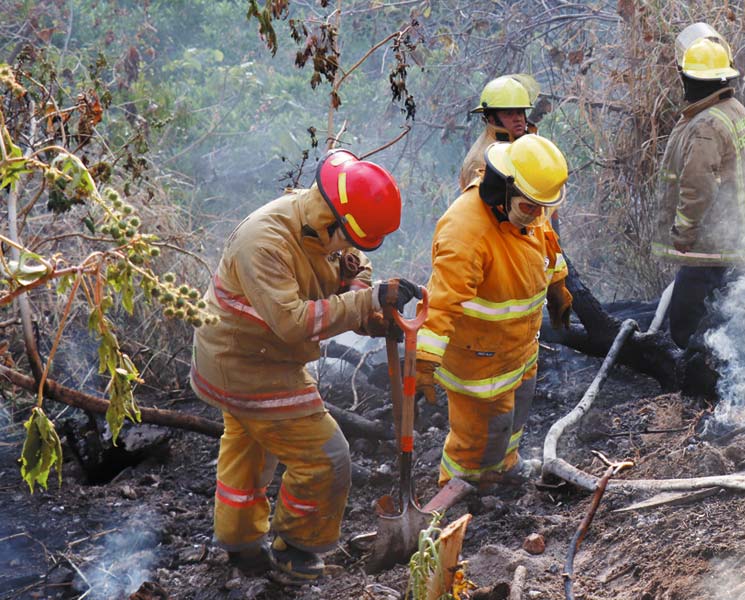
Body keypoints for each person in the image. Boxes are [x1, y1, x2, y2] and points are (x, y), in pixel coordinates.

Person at [190, 149, 421, 580]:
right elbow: (293, 322)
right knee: (327, 458)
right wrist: (365, 301)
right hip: (247, 366)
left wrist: (361, 291)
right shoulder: (265, 242)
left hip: (244, 358)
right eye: (349, 238)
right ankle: (296, 553)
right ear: (336, 221)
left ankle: (240, 546)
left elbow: (351, 262)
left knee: (248, 448)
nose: (352, 248)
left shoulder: (320, 218)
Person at [415, 134, 571, 488]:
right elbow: (442, 301)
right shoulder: (466, 232)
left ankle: (504, 469)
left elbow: (546, 243)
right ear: (503, 188)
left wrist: (558, 286)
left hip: (519, 348)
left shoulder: (527, 205)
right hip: (479, 361)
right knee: (476, 441)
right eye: (529, 207)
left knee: (511, 423)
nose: (536, 215)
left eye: (540, 207)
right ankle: (460, 493)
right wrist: (423, 360)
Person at [653, 24, 745, 396]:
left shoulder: (706, 126)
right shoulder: (733, 108)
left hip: (707, 244)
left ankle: (710, 389)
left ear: (691, 79)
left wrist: (682, 232)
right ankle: (732, 382)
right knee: (725, 315)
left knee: (683, 323)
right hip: (734, 237)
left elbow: (697, 186)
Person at [459, 74, 540, 189]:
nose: (518, 118)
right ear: (491, 118)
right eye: (509, 113)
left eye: (520, 112)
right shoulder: (479, 161)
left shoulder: (524, 144)